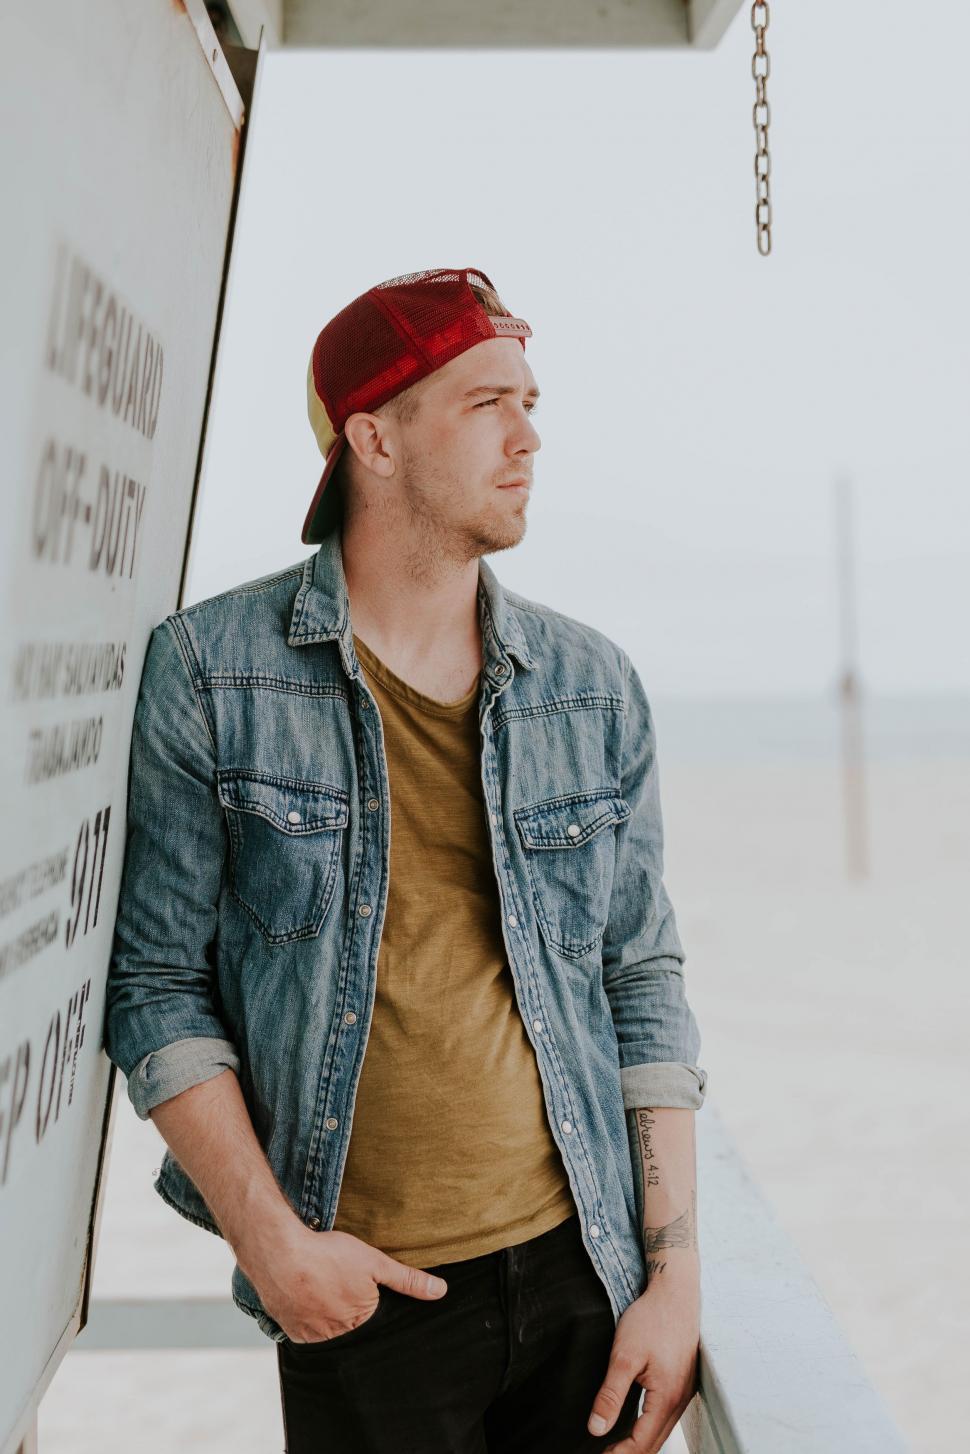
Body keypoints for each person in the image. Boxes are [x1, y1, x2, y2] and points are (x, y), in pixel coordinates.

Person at [104, 266, 707, 1454]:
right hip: (364, 1296)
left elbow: (641, 981)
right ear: (373, 437)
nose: (529, 437)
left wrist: (673, 1274)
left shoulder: (590, 686)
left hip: (583, 1272)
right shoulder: (212, 673)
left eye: (529, 401)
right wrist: (272, 1243)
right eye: (488, 403)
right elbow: (155, 986)